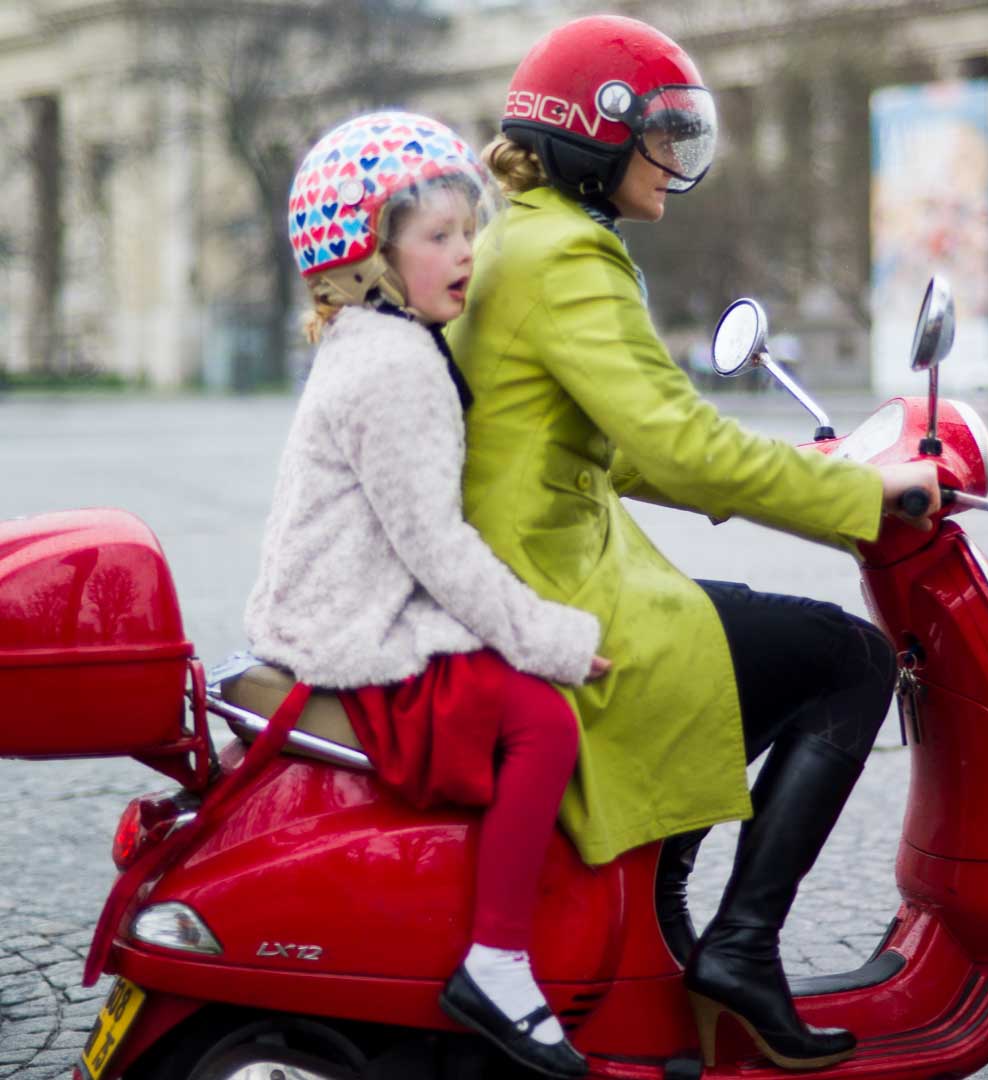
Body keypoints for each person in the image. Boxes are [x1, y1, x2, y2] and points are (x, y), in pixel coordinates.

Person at [446, 17, 941, 1073]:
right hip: (560, 593)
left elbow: (601, 443)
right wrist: (863, 492)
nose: (677, 162)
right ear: (596, 142)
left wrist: (758, 473)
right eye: (661, 136)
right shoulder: (574, 256)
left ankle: (664, 934)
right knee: (847, 662)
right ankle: (745, 949)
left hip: (528, 571)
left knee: (738, 627)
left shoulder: (515, 239)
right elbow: (678, 441)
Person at [245, 111, 608, 1080]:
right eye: (438, 237)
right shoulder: (399, 367)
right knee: (545, 722)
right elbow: (439, 549)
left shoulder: (370, 342)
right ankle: (495, 960)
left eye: (469, 231)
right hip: (354, 644)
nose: (467, 253)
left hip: (340, 617)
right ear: (368, 256)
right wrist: (553, 639)